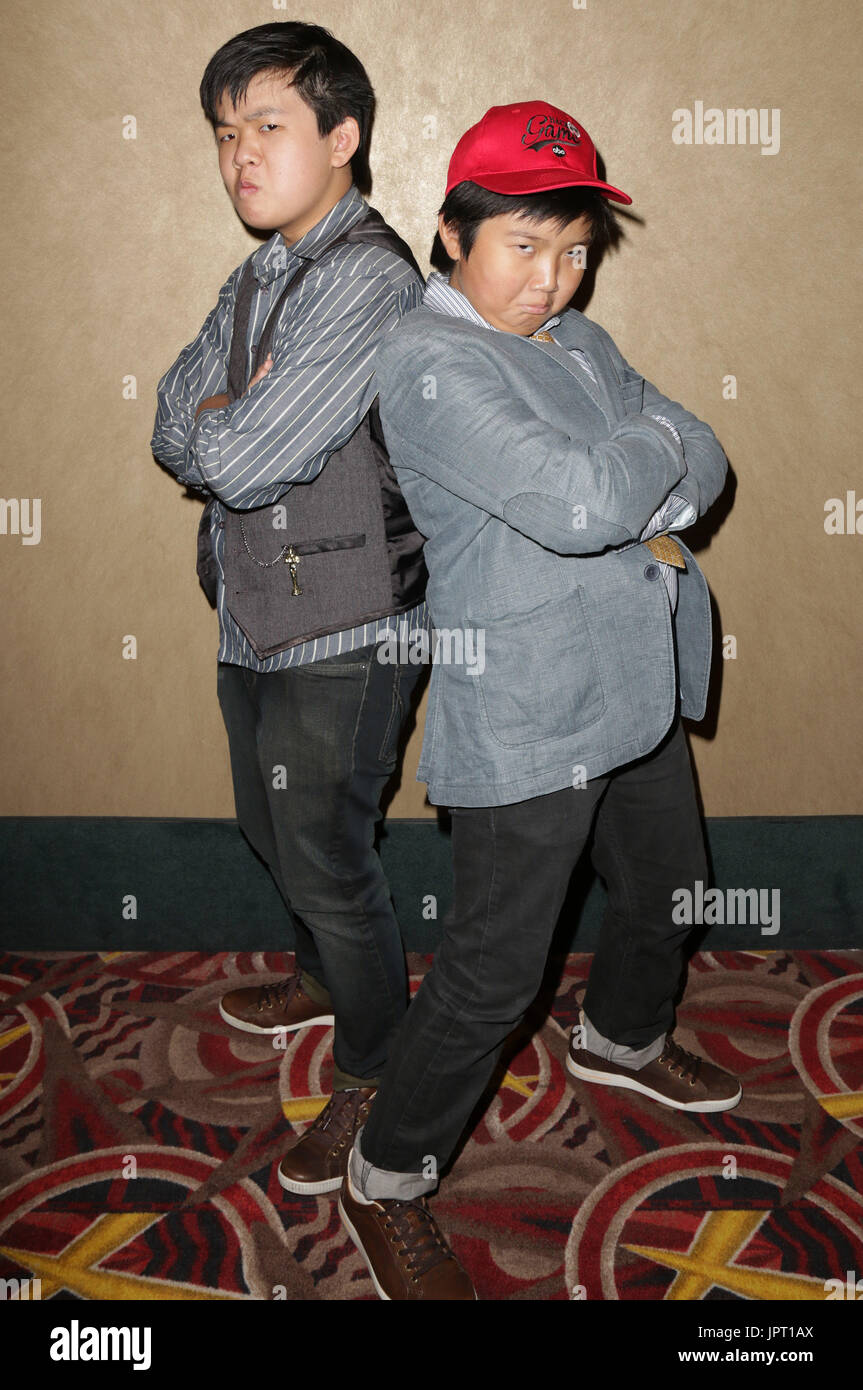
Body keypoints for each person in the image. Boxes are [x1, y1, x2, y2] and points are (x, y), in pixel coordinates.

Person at [337, 100, 741, 1301]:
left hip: (635, 679)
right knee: (492, 976)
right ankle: (383, 1170)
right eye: (523, 245)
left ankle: (620, 1039)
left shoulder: (579, 342)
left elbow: (703, 444)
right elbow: (577, 507)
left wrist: (646, 466)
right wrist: (648, 464)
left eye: (572, 249)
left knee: (673, 886)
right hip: (526, 709)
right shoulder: (425, 358)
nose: (552, 279)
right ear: (453, 233)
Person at [150, 21, 428, 1195]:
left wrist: (221, 418)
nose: (238, 155)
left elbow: (244, 454)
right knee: (277, 836)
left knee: (323, 850)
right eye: (225, 133)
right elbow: (168, 416)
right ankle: (322, 977)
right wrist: (216, 416)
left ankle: (374, 1063)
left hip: (350, 623)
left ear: (342, 136)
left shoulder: (368, 275)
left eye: (266, 126)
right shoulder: (257, 272)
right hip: (252, 610)